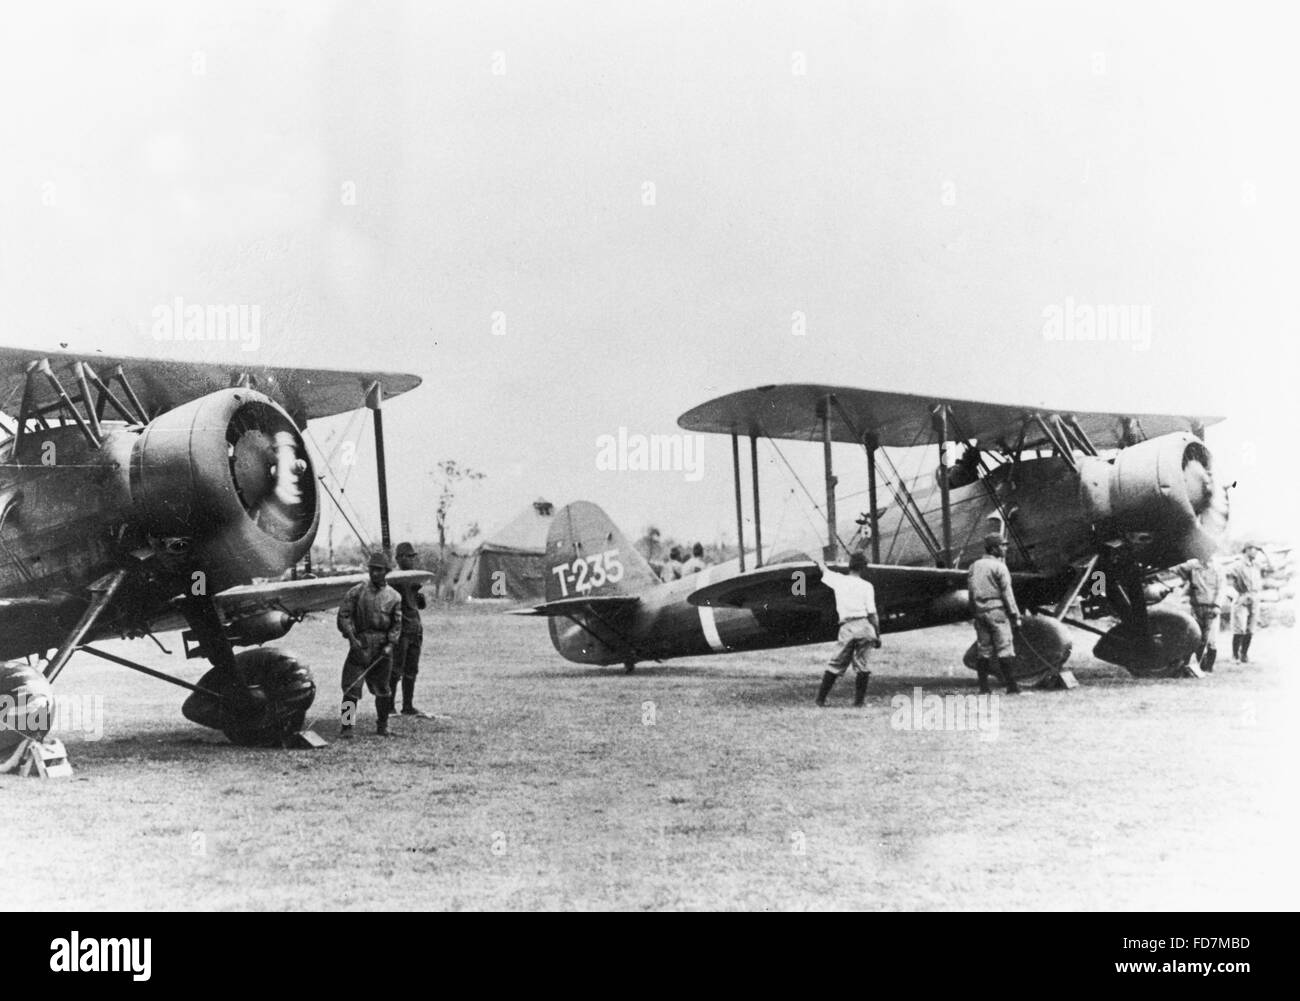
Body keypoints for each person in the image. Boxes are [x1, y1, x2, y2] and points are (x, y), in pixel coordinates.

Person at [337, 551, 402, 737]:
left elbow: (397, 624)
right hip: (361, 645)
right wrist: (352, 639)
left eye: (379, 570)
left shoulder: (394, 597)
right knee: (351, 688)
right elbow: (344, 616)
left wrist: (390, 644)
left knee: (383, 690)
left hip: (382, 648)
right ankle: (347, 727)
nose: (375, 573)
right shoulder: (357, 591)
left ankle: (383, 725)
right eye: (372, 569)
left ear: (386, 571)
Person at [814, 551, 881, 707]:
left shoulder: (839, 580)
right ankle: (859, 702)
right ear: (863, 568)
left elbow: (824, 571)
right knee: (862, 665)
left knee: (836, 663)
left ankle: (820, 699)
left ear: (849, 566)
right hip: (864, 626)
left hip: (847, 627)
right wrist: (877, 635)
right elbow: (873, 614)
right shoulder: (867, 586)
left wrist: (819, 562)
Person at [967, 533, 1022, 695]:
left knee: (983, 649)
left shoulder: (974, 566)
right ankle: (1012, 687)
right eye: (1002, 545)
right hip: (997, 612)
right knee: (1005, 648)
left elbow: (970, 592)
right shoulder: (999, 566)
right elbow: (1007, 593)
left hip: (980, 613)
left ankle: (984, 688)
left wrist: (974, 612)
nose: (1005, 548)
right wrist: (1015, 615)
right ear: (993, 549)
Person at [391, 541, 427, 715]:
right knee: (396, 670)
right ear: (400, 558)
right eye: (409, 557)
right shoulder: (394, 580)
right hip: (402, 631)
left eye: (413, 557)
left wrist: (418, 595)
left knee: (411, 669)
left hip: (415, 629)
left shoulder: (413, 578)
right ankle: (389, 706)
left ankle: (407, 705)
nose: (412, 560)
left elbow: (420, 605)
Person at [1174, 555, 1224, 672]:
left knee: (1211, 639)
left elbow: (1221, 589)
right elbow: (1177, 569)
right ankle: (1197, 665)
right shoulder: (1193, 568)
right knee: (1197, 637)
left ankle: (1209, 667)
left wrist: (1217, 606)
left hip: (1211, 608)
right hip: (1196, 607)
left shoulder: (1217, 569)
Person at [1227, 544, 1264, 663]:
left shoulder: (1256, 565)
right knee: (1239, 628)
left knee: (1251, 628)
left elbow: (1273, 567)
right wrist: (1234, 595)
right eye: (1254, 549)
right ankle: (1235, 655)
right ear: (1247, 550)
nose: (1256, 552)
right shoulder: (1237, 565)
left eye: (1257, 550)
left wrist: (1265, 553)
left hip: (1254, 596)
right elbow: (1228, 580)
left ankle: (1244, 654)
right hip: (1242, 596)